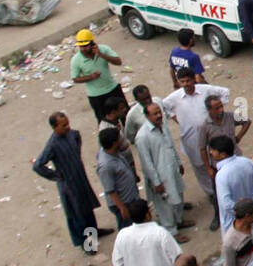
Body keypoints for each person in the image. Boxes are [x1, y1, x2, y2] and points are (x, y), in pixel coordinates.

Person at [161, 68, 230, 232]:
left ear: (194, 79)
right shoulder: (175, 97)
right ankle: (212, 196)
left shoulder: (205, 91)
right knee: (201, 168)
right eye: (182, 82)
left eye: (188, 81)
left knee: (218, 165)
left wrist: (218, 113)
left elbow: (225, 92)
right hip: (191, 140)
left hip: (211, 137)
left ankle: (222, 194)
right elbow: (164, 107)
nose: (186, 84)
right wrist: (176, 119)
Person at [33, 111, 106, 254]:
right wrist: (55, 175)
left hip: (80, 178)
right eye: (63, 125)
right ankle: (87, 244)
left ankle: (94, 232)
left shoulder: (72, 134)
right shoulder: (52, 145)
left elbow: (77, 140)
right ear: (55, 128)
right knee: (78, 214)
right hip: (69, 185)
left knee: (88, 209)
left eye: (67, 124)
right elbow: (38, 166)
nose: (67, 127)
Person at [135, 102, 191, 240]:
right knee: (165, 204)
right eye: (155, 114)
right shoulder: (142, 136)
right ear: (147, 116)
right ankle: (172, 231)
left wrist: (178, 163)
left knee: (178, 195)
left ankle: (179, 221)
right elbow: (146, 163)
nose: (159, 115)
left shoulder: (163, 126)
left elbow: (170, 145)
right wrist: (156, 182)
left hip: (172, 169)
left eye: (159, 112)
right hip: (160, 176)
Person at [209, 134, 253, 232]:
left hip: (234, 223)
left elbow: (226, 204)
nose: (210, 152)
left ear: (223, 154)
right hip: (252, 215)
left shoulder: (222, 175)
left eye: (213, 150)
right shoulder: (246, 161)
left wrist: (243, 214)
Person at [71, 29, 126, 122]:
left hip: (113, 88)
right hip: (96, 96)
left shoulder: (103, 49)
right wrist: (91, 77)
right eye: (81, 47)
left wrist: (101, 55)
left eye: (86, 46)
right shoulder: (76, 60)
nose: (83, 49)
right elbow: (75, 79)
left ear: (92, 44)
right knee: (104, 121)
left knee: (125, 115)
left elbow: (118, 62)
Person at [96, 126, 140, 232]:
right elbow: (110, 190)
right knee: (127, 229)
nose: (122, 140)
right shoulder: (106, 166)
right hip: (124, 203)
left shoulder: (111, 152)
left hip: (130, 198)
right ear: (114, 143)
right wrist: (122, 208)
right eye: (120, 138)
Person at [198, 93, 251, 181]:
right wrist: (208, 168)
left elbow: (247, 122)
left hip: (236, 157)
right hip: (219, 164)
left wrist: (238, 137)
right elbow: (202, 149)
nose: (221, 110)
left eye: (221, 106)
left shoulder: (230, 116)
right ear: (209, 110)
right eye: (217, 108)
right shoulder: (204, 126)